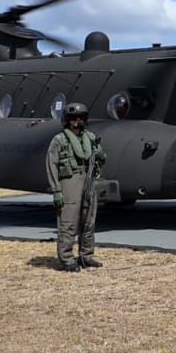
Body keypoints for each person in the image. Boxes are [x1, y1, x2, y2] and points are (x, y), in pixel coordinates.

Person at [45, 102, 106, 272]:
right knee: (68, 222)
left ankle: (86, 255)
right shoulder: (59, 140)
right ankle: (66, 258)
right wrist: (56, 190)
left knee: (89, 220)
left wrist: (101, 155)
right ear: (67, 120)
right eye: (73, 118)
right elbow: (51, 165)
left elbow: (101, 157)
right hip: (69, 181)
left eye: (80, 118)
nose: (77, 121)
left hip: (88, 179)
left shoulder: (91, 138)